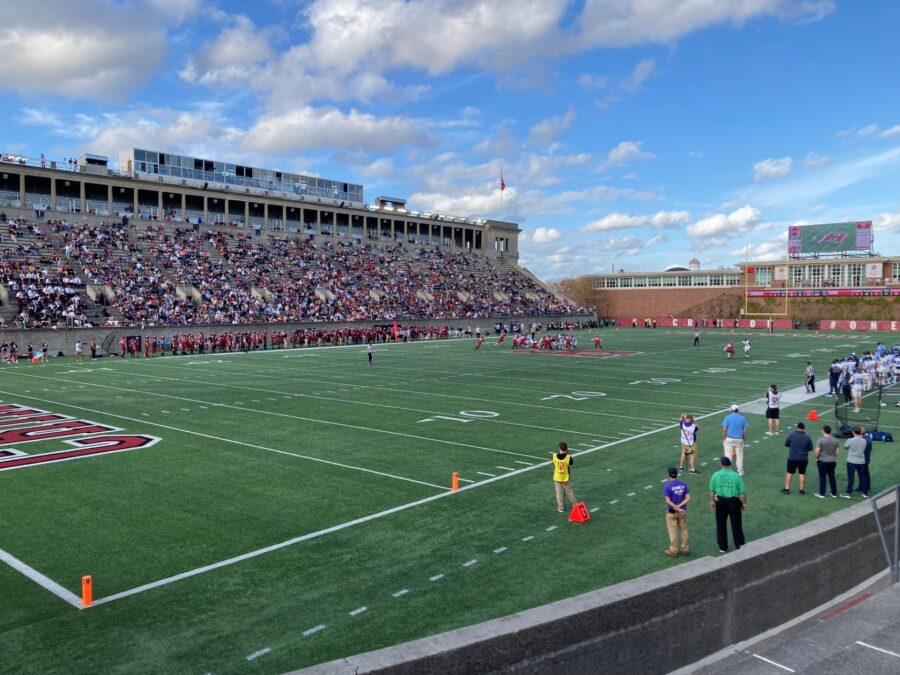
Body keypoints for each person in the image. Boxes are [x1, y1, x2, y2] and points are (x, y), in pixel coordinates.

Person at [709, 456, 747, 553]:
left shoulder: (715, 475)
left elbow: (712, 491)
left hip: (720, 501)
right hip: (733, 501)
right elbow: (742, 493)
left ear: (721, 464)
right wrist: (743, 503)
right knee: (736, 524)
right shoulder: (736, 475)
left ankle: (722, 547)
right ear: (730, 465)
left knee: (720, 524)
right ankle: (739, 545)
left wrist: (712, 501)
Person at [663, 467, 691, 558]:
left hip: (671, 512)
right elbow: (688, 498)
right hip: (682, 512)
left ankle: (674, 551)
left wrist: (676, 507)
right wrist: (680, 507)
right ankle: (685, 549)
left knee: (673, 531)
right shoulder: (683, 484)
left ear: (669, 475)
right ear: (677, 475)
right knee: (684, 530)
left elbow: (667, 501)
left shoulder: (667, 486)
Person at [782, 422, 813, 494]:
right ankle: (801, 490)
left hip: (792, 458)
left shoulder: (791, 435)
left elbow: (786, 444)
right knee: (802, 474)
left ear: (797, 427)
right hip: (803, 459)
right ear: (803, 428)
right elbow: (810, 448)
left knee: (789, 473)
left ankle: (787, 489)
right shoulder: (807, 437)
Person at [722, 404, 749, 476]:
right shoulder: (743, 418)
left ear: (731, 410)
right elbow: (745, 429)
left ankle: (727, 470)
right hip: (739, 439)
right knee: (740, 456)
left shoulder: (728, 417)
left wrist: (724, 438)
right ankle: (740, 471)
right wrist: (744, 438)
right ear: (738, 410)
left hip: (729, 438)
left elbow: (724, 429)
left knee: (728, 455)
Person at [814, 425, 840, 498]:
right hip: (832, 461)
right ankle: (834, 493)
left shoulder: (820, 440)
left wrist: (816, 458)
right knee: (832, 476)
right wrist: (833, 456)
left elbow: (817, 451)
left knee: (822, 477)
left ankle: (822, 493)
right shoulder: (835, 440)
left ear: (823, 431)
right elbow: (837, 451)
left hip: (822, 461)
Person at [842, 427, 867, 498]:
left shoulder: (850, 440)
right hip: (861, 461)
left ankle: (848, 492)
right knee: (862, 477)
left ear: (853, 432)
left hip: (851, 461)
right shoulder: (864, 441)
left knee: (851, 477)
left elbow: (845, 447)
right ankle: (865, 492)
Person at [552, 442, 576, 513]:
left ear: (559, 448)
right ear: (566, 448)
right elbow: (571, 463)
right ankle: (574, 504)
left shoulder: (554, 455)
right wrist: (567, 454)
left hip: (557, 477)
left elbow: (554, 463)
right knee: (569, 492)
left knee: (559, 493)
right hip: (565, 478)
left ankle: (560, 507)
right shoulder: (568, 457)